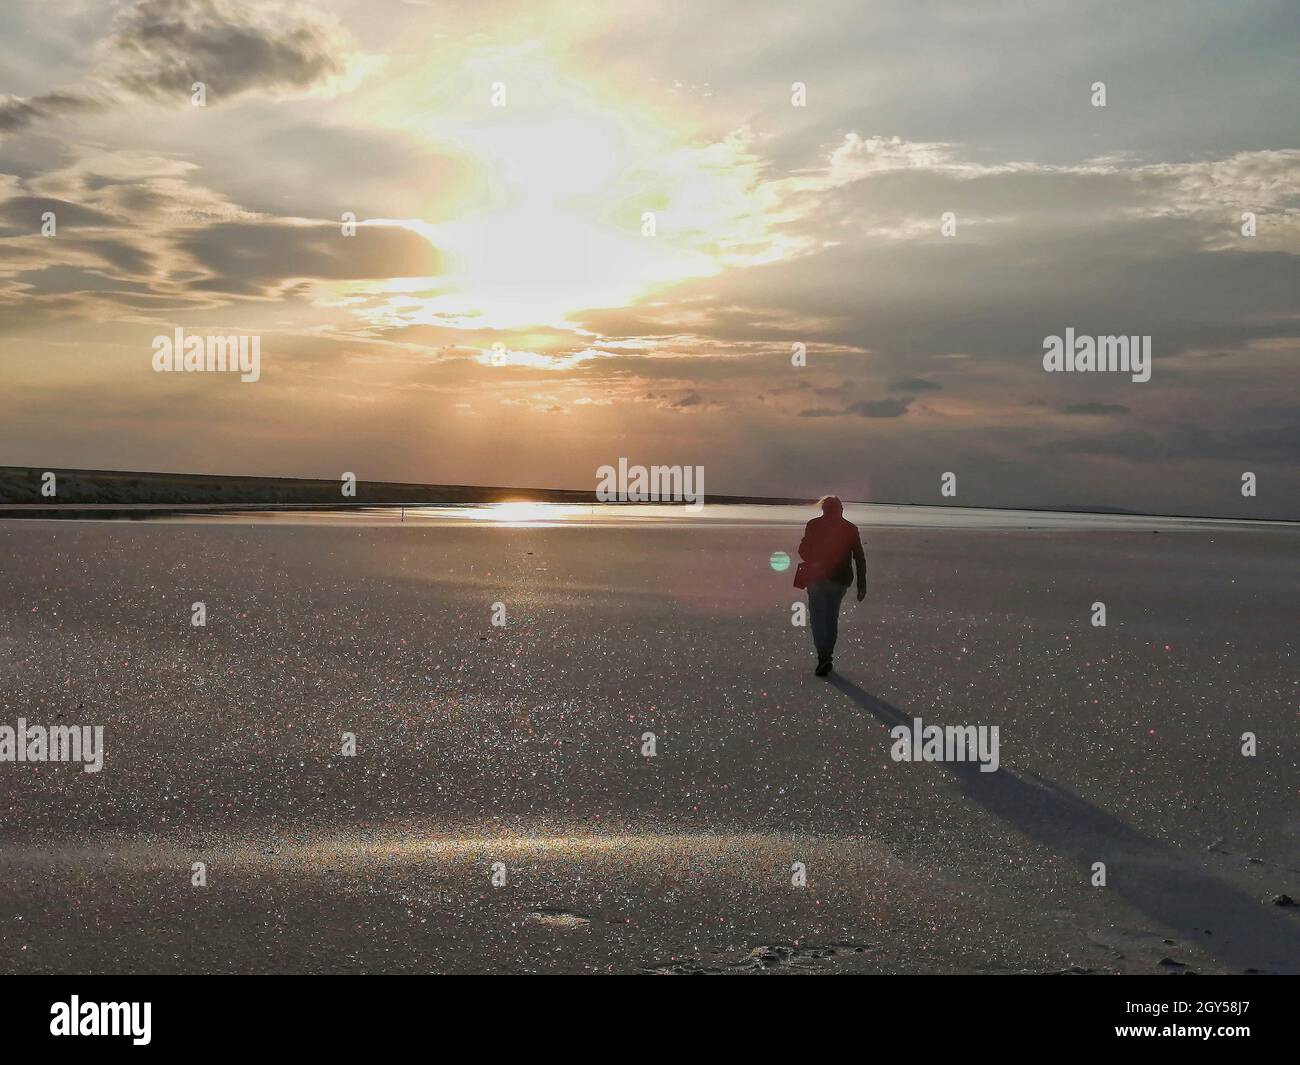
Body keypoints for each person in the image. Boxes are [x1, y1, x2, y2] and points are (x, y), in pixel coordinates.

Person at [797, 496, 866, 676]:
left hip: (817, 577)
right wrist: (861, 584)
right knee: (831, 618)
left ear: (824, 509)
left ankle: (823, 657)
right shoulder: (850, 528)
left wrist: (815, 559)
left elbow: (803, 551)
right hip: (840, 580)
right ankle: (827, 656)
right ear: (840, 509)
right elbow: (859, 557)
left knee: (818, 618)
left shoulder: (813, 525)